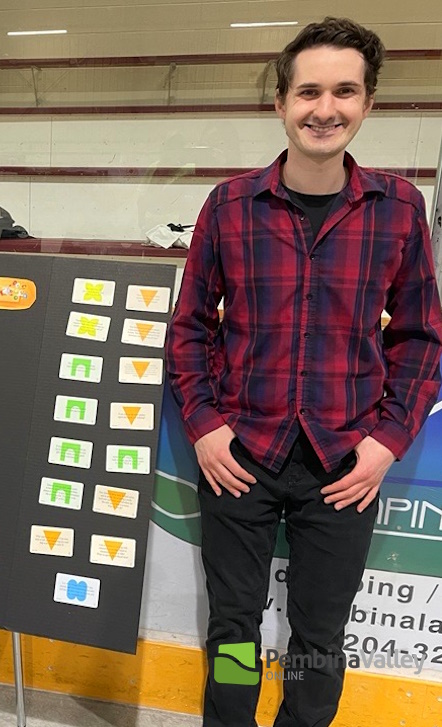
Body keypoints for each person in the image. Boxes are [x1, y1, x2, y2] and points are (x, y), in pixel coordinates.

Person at [166, 18, 442, 727]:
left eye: (344, 91)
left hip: (343, 466)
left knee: (319, 638)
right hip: (242, 459)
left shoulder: (399, 209)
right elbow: (191, 327)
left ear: (368, 102)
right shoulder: (229, 206)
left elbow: (420, 339)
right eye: (309, 91)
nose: (327, 108)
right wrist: (204, 427)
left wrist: (386, 442)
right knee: (234, 631)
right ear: (282, 103)